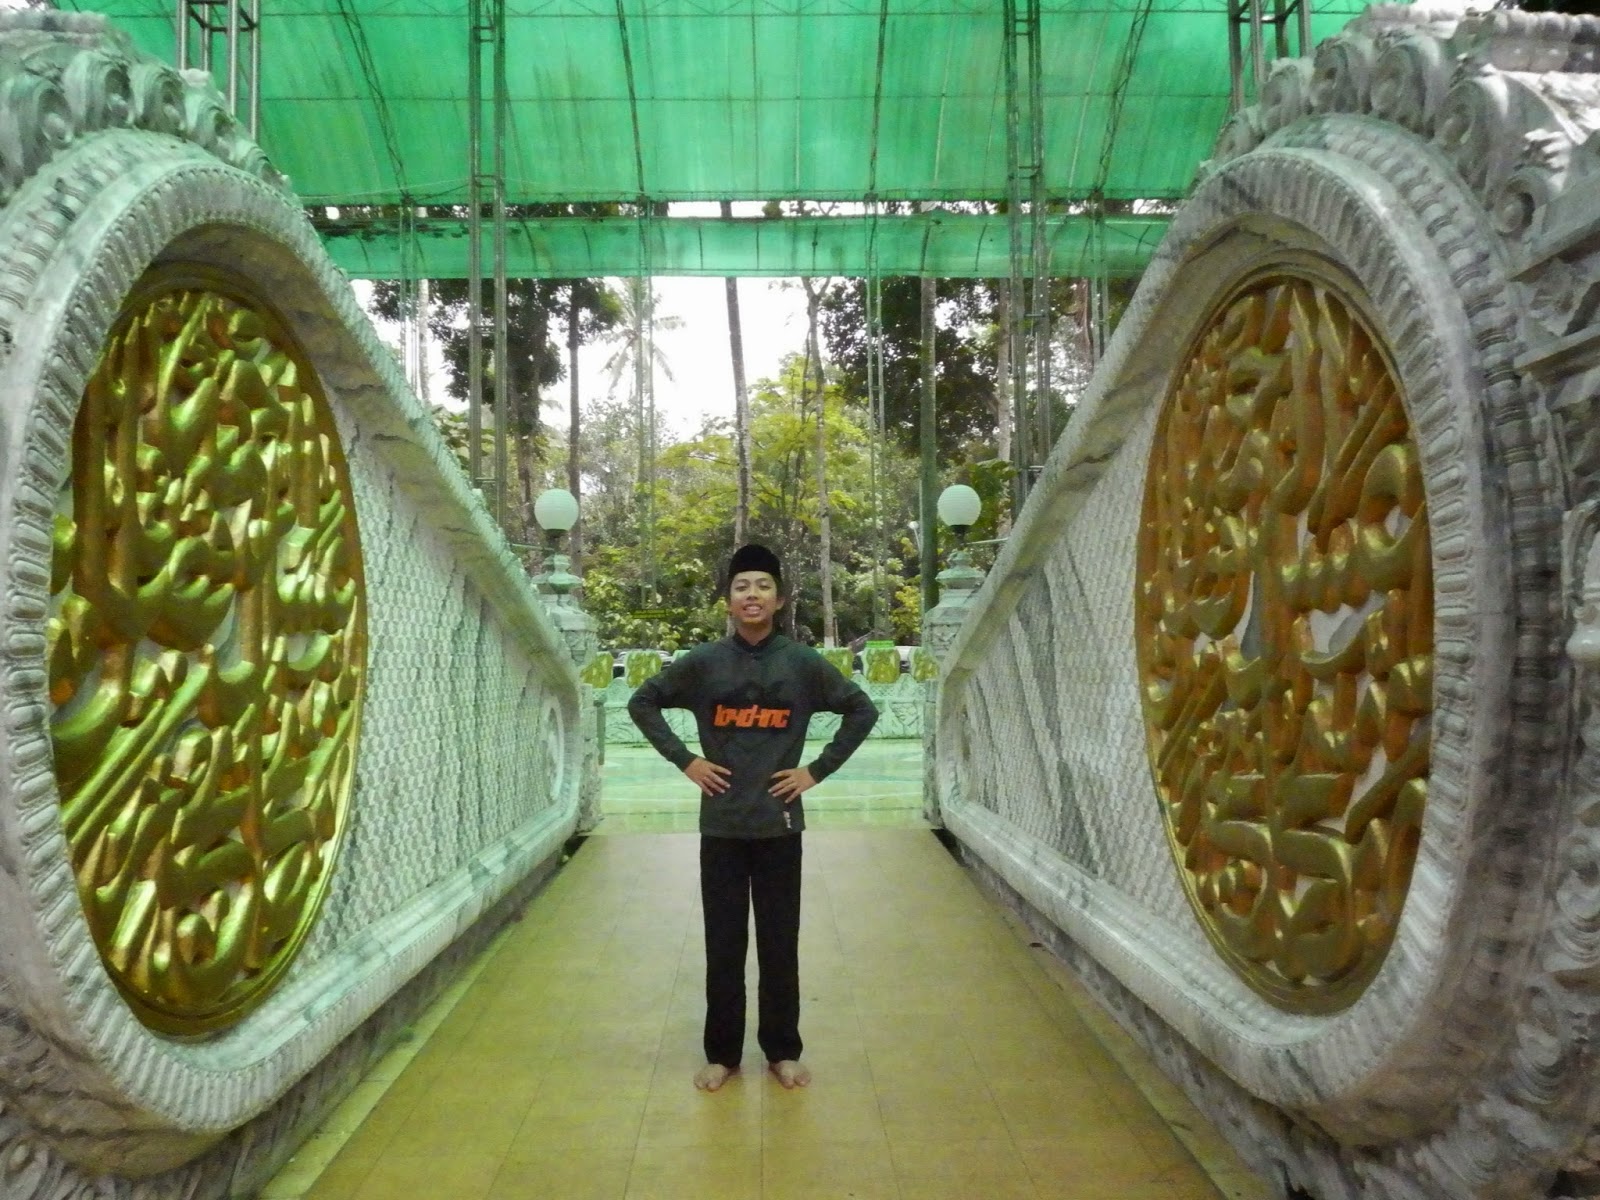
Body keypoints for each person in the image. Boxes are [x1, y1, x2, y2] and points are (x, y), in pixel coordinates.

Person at [628, 543, 878, 1092]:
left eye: (763, 586)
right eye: (742, 586)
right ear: (729, 600)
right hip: (721, 826)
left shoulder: (801, 664)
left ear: (779, 599)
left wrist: (814, 771)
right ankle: (722, 1055)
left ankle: (782, 1051)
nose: (752, 595)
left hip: (779, 826)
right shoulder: (704, 663)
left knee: (779, 941)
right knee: (723, 943)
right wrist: (686, 760)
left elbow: (862, 709)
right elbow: (642, 701)